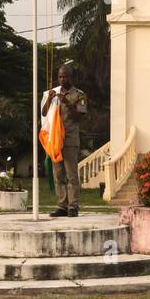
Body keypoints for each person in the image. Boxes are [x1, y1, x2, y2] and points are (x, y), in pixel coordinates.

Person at [41, 63, 88, 217]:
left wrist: (67, 102)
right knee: (58, 175)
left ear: (71, 77)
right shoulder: (53, 93)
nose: (62, 79)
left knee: (71, 175)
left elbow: (79, 116)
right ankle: (62, 205)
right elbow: (43, 112)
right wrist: (49, 98)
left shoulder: (79, 95)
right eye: (60, 76)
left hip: (69, 139)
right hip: (55, 139)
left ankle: (73, 206)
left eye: (65, 76)